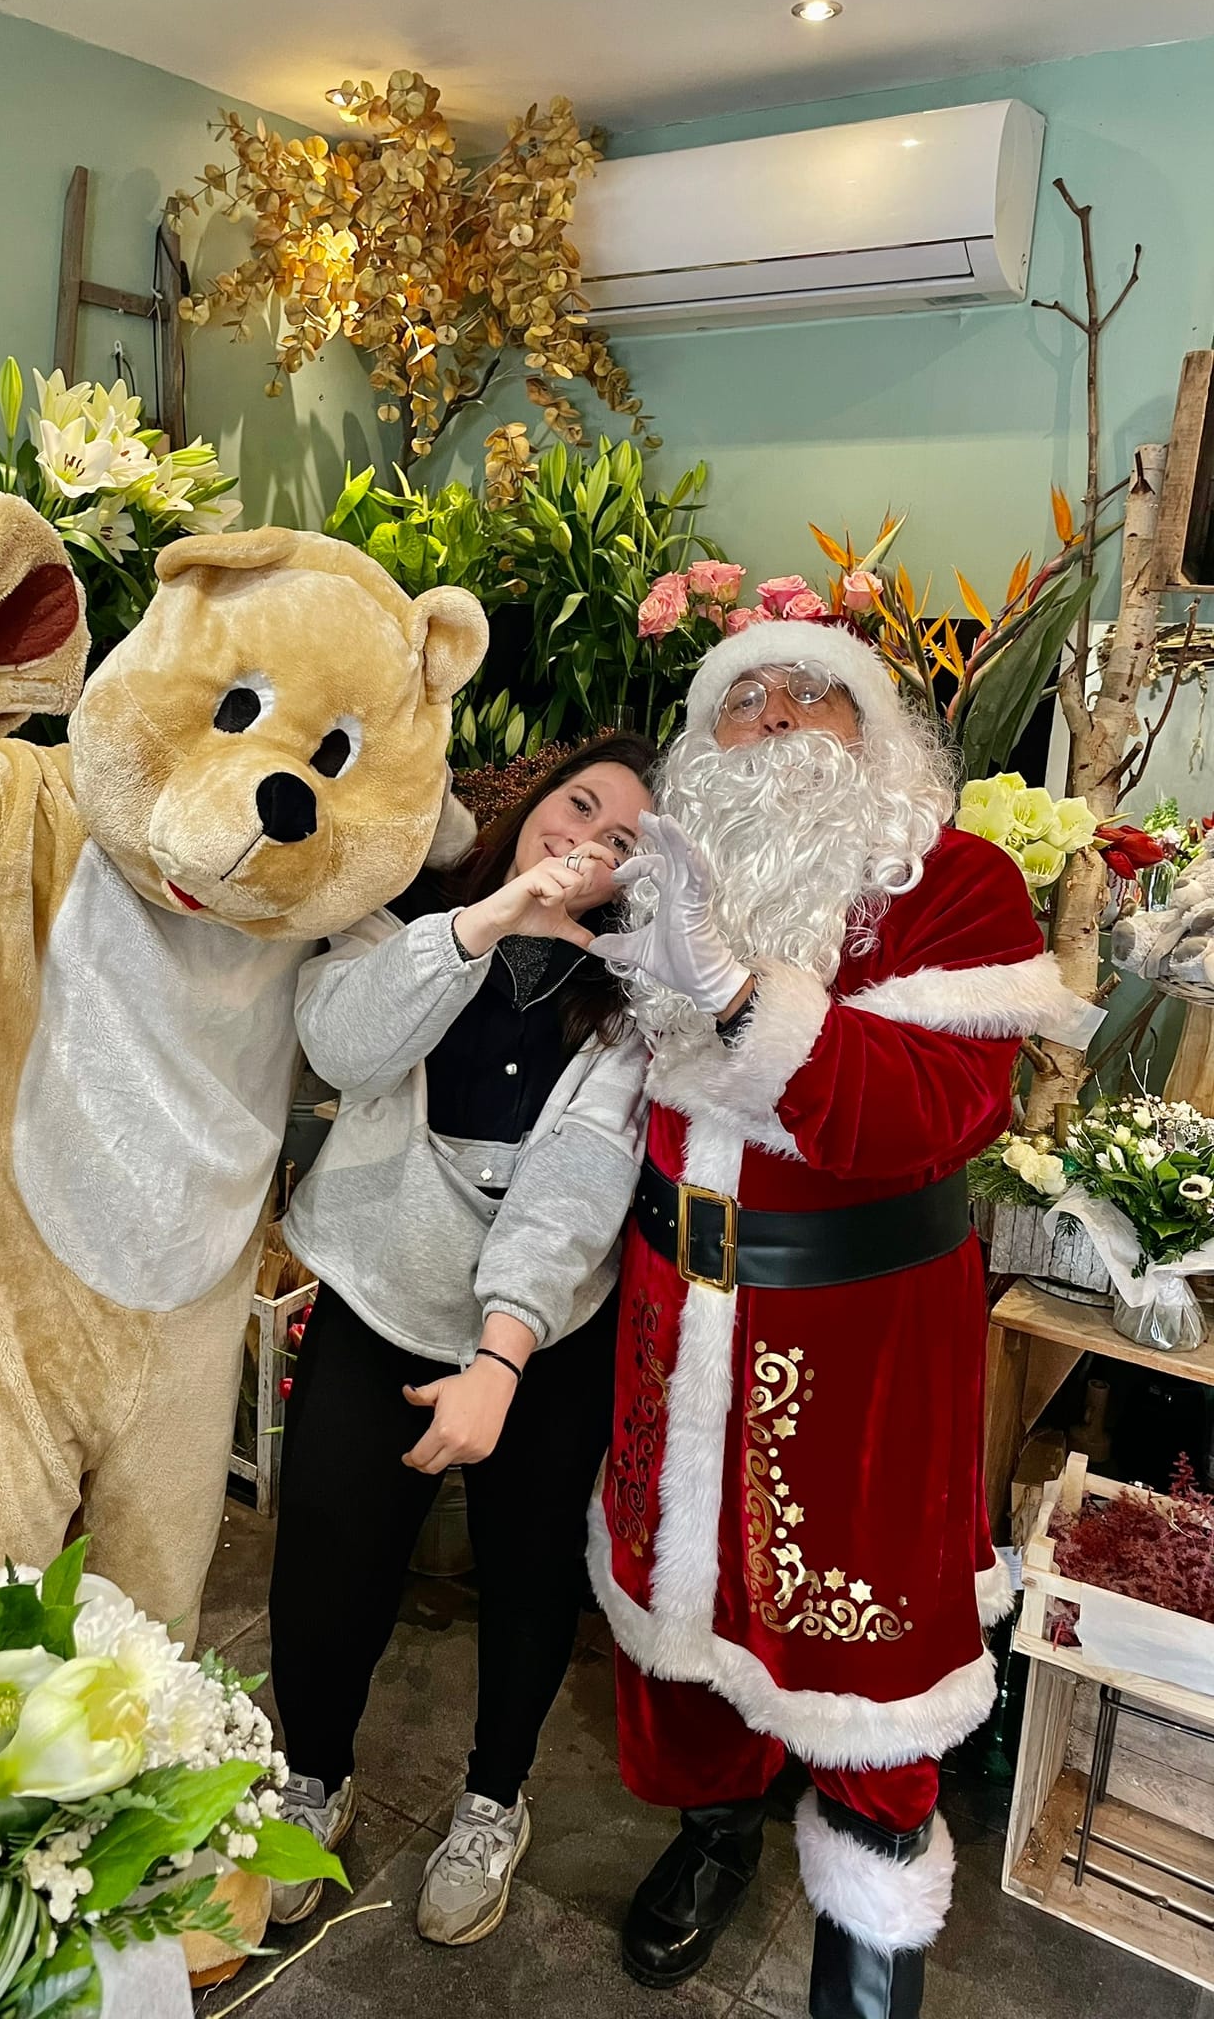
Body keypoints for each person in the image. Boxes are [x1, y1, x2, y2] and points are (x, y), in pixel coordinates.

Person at [586, 623, 1092, 2019]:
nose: (777, 716)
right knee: (678, 1625)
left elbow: (933, 1112)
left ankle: (870, 1925)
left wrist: (746, 994)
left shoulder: (956, 883)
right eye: (738, 701)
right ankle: (713, 1834)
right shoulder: (670, 873)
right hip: (668, 1317)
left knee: (865, 1664)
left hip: (858, 1351)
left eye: (816, 691)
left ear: (879, 734)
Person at [267, 732, 657, 1947]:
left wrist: (501, 1352)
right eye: (576, 804)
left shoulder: (637, 999)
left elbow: (582, 1176)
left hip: (540, 1337)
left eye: (622, 840)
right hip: (379, 1289)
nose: (582, 837)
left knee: (530, 1576)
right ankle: (310, 1780)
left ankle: (493, 1796)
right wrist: (491, 916)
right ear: (534, 802)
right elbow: (341, 1046)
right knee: (329, 1561)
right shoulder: (413, 912)